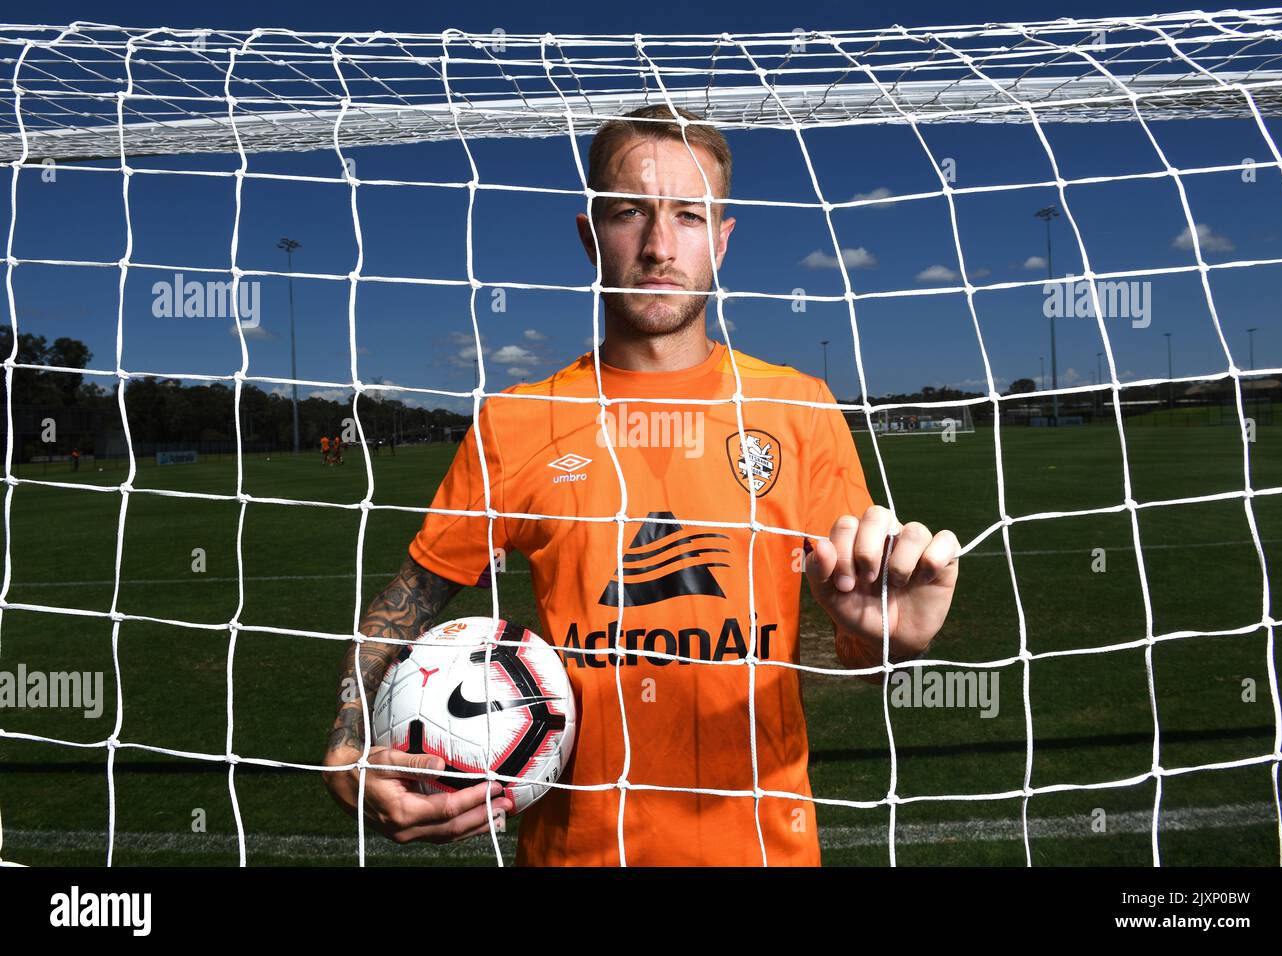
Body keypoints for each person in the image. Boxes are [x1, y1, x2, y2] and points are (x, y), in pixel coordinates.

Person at [322, 104, 960, 865]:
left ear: (721, 241)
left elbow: (860, 640)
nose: (660, 246)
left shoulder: (798, 410)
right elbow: (404, 607)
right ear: (592, 234)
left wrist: (887, 639)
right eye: (631, 213)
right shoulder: (517, 423)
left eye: (689, 216)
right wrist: (346, 750)